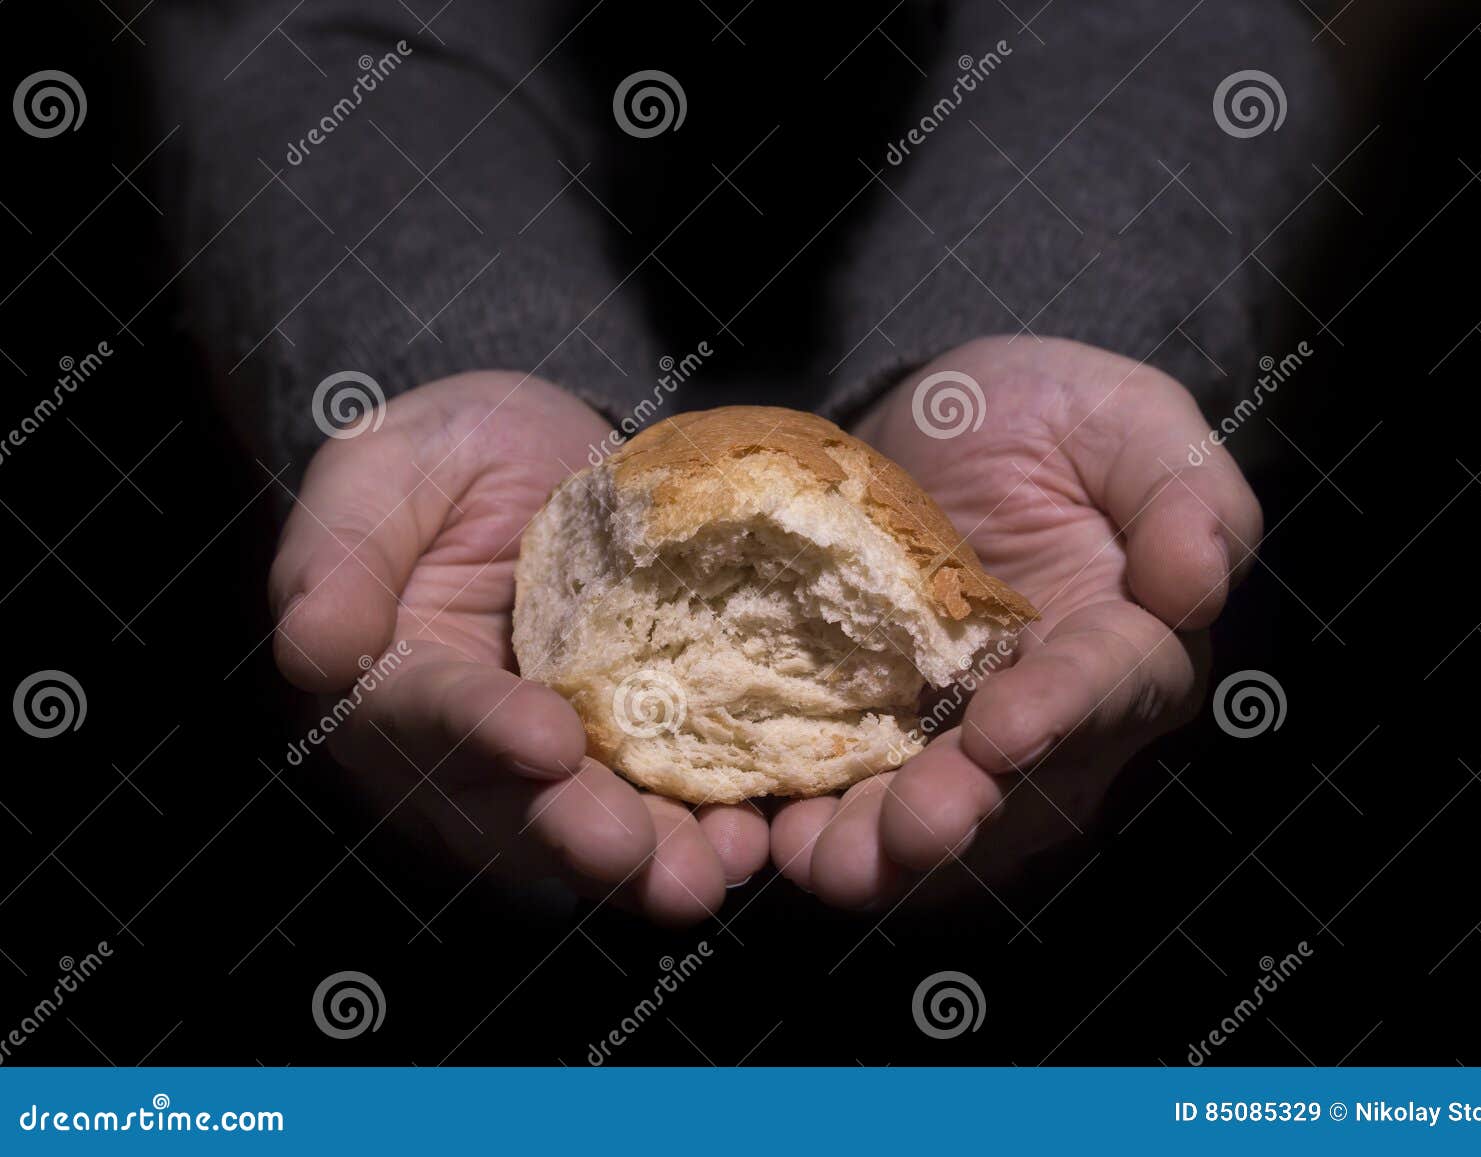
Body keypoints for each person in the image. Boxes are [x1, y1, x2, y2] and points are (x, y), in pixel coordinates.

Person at [147, 0, 1340, 923]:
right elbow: (343, 33)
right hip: (381, 738)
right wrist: (441, 352)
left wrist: (1056, 310)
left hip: (1096, 765)